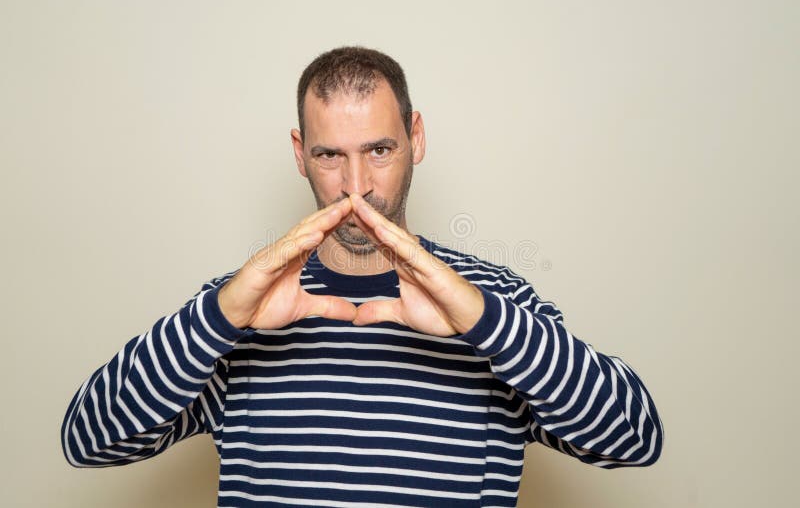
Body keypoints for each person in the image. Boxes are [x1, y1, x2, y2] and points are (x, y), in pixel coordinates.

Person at [61, 46, 663, 507]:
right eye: (329, 155)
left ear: (415, 138)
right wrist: (219, 317)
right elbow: (89, 440)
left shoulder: (495, 301)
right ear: (300, 154)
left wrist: (484, 323)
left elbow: (634, 438)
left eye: (379, 150)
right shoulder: (240, 308)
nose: (356, 187)